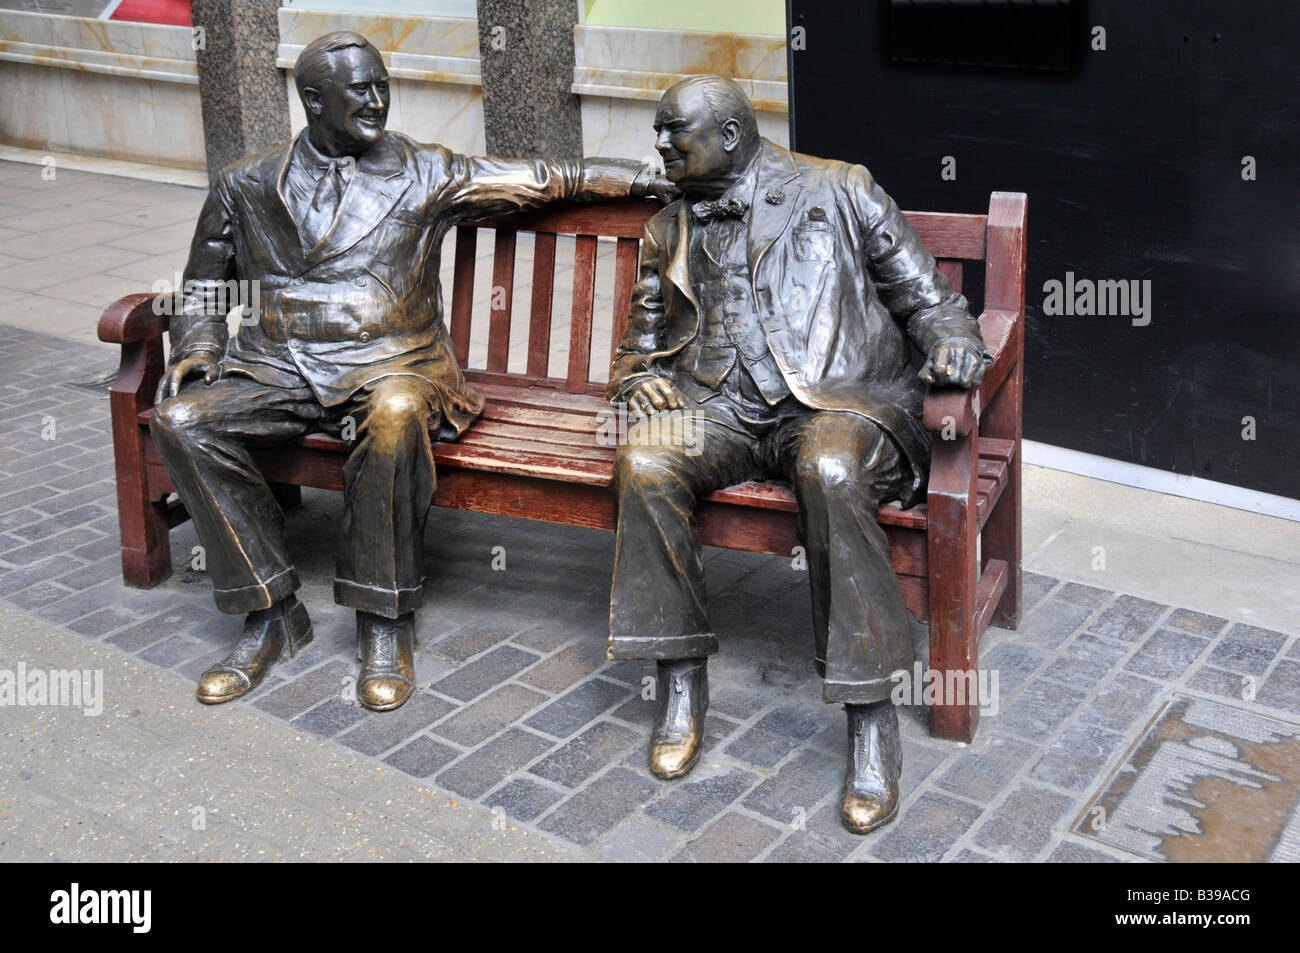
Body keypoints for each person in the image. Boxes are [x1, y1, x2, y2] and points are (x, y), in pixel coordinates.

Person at [152, 31, 664, 712]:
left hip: (396, 365)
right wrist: (197, 348)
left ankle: (383, 619)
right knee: (181, 421)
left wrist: (643, 178)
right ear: (311, 99)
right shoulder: (246, 183)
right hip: (276, 367)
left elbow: (543, 177)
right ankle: (269, 611)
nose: (376, 99)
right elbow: (203, 289)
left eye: (381, 84)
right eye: (358, 88)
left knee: (393, 415)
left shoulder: (425, 171)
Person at [605, 75, 988, 833]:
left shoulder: (839, 188)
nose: (660, 146)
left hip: (831, 401)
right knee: (643, 459)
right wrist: (637, 381)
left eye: (674, 132)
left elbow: (928, 296)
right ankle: (679, 682)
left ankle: (871, 715)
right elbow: (637, 348)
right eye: (659, 132)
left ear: (731, 137)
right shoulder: (667, 227)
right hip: (717, 407)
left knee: (830, 468)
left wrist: (952, 342)